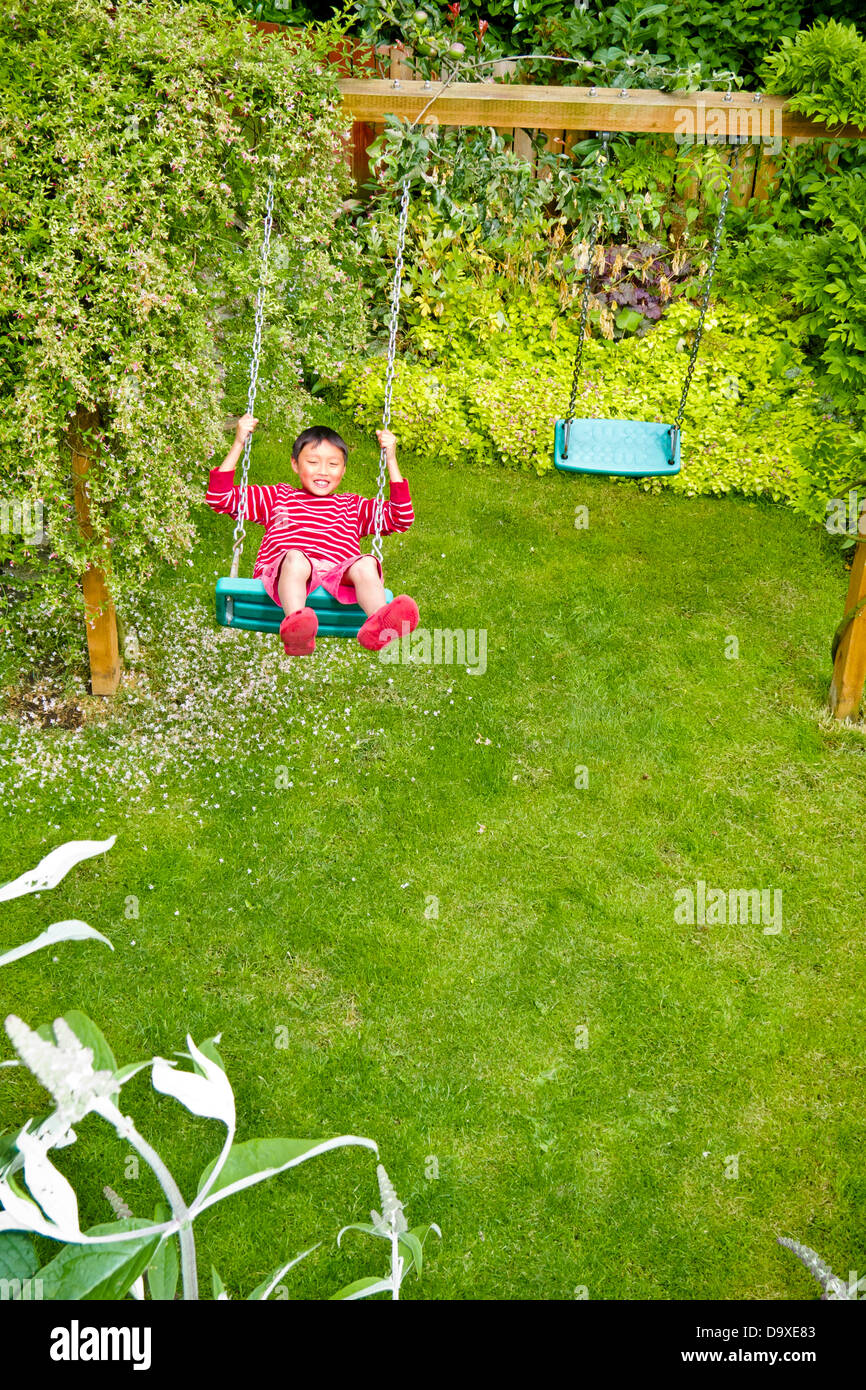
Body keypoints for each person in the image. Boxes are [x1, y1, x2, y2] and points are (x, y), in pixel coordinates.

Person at [207, 417, 419, 655]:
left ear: (344, 469)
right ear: (295, 464)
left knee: (367, 563)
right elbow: (219, 498)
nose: (323, 471)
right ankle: (297, 626)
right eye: (313, 462)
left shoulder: (352, 506)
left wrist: (391, 460)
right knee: (297, 558)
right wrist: (238, 443)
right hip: (285, 572)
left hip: (335, 576)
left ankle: (379, 623)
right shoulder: (278, 497)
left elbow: (401, 517)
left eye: (332, 464)